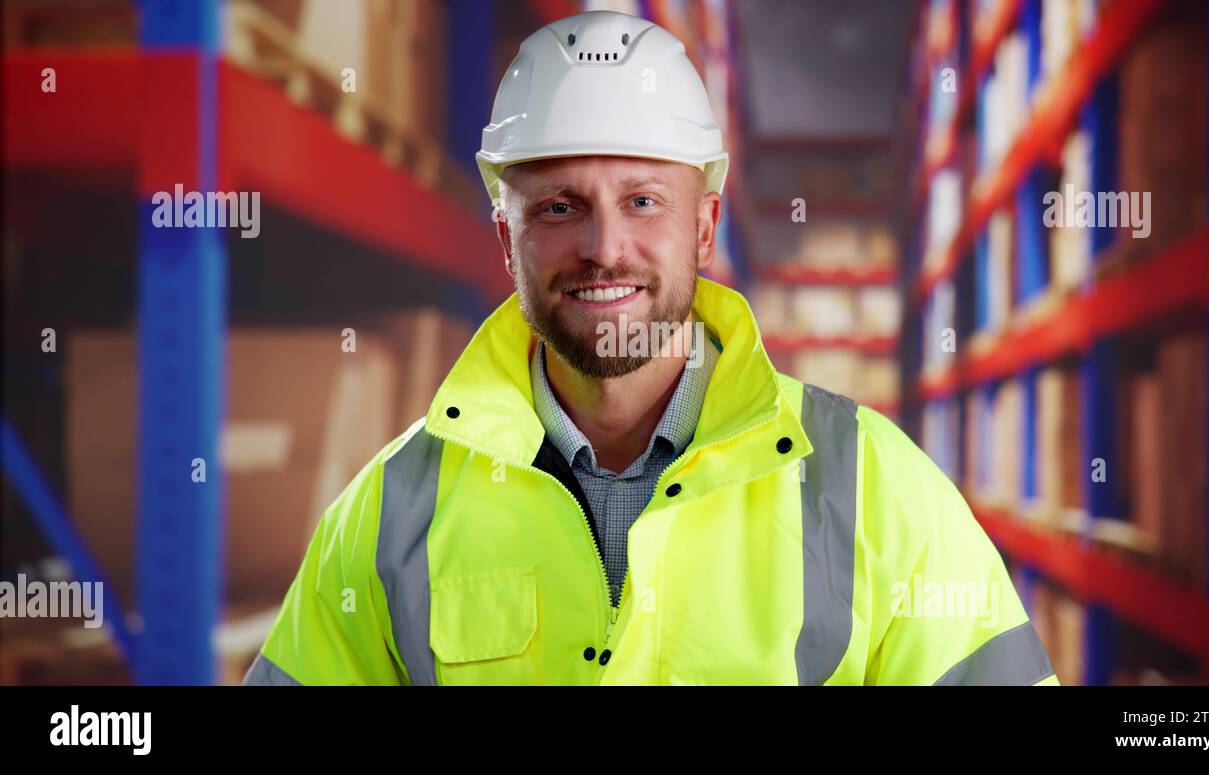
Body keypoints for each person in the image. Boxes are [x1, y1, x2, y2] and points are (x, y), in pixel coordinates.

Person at [244, 9, 1057, 686]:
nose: (605, 247)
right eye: (560, 207)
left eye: (642, 199)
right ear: (506, 237)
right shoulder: (389, 515)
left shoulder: (877, 489)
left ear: (703, 225)